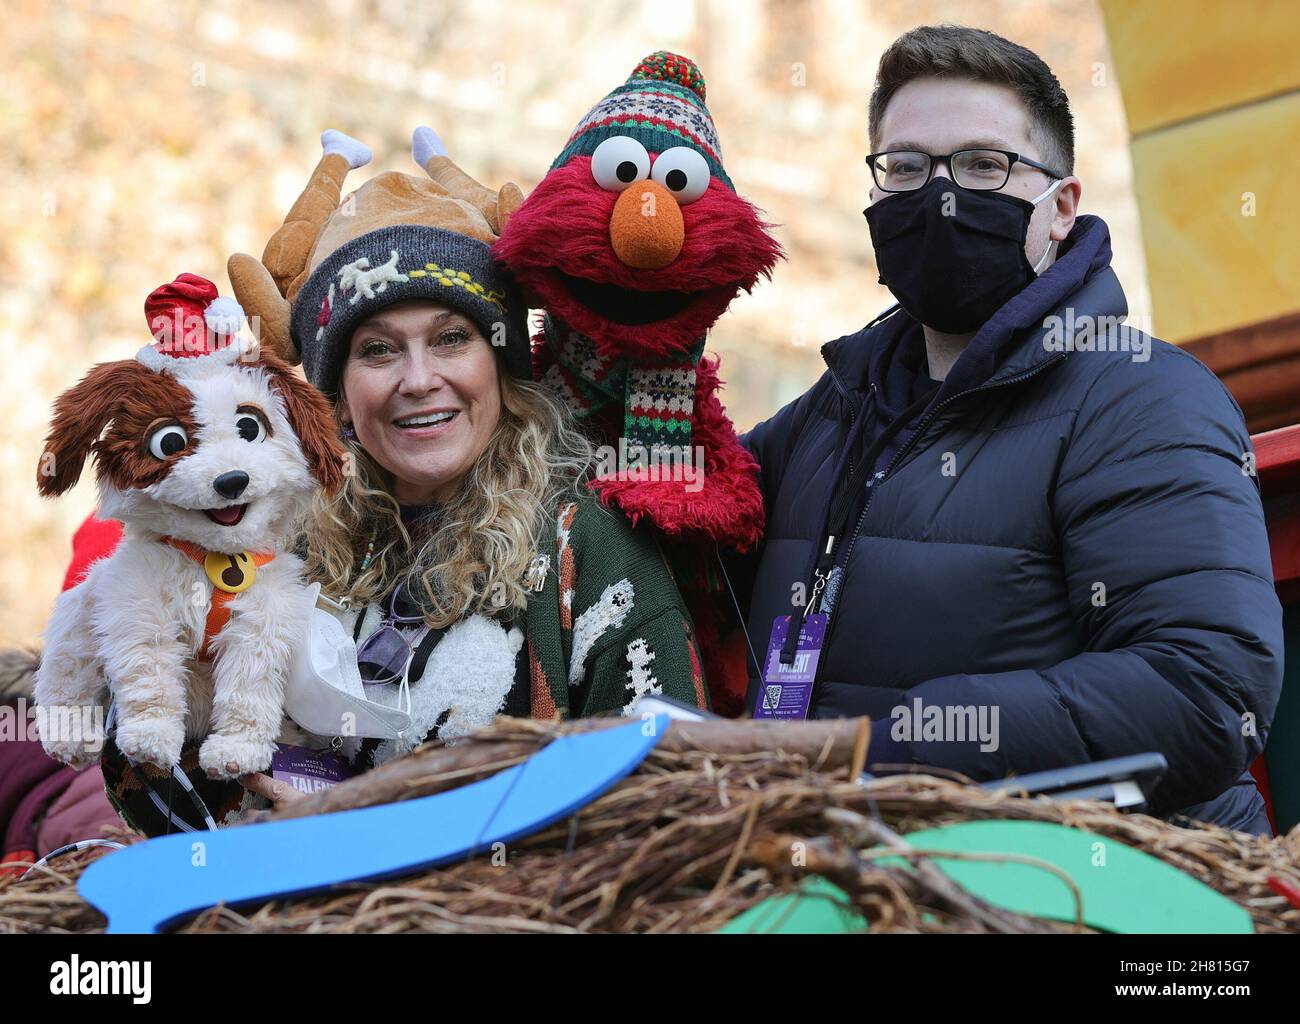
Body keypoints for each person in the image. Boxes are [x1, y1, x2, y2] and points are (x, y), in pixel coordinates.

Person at [741, 25, 1282, 833]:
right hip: (842, 875)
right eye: (908, 167)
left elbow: (1203, 694)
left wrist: (879, 749)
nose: (942, 196)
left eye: (984, 166)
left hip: (1089, 893)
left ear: (1061, 207)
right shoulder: (830, 412)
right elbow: (672, 520)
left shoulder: (1145, 400)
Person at [98, 143, 709, 834]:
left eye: (451, 338)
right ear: (336, 395)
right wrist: (154, 686)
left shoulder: (589, 549)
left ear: (500, 367)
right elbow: (166, 804)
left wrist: (362, 834)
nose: (418, 379)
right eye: (378, 349)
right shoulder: (275, 543)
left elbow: (667, 812)